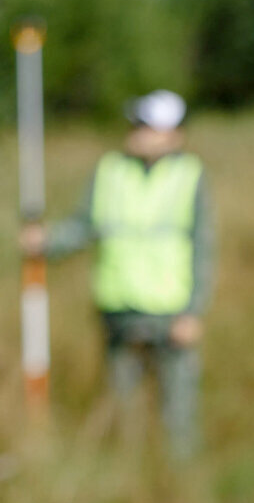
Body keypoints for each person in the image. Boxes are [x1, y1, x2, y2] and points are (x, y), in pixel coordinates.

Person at [21, 89, 214, 460]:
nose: (137, 132)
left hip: (170, 310)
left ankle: (181, 487)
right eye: (136, 124)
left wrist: (193, 311)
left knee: (179, 414)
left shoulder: (190, 177)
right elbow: (84, 226)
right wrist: (46, 241)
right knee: (123, 408)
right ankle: (130, 480)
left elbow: (205, 247)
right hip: (118, 307)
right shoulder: (110, 170)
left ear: (173, 135)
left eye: (147, 126)